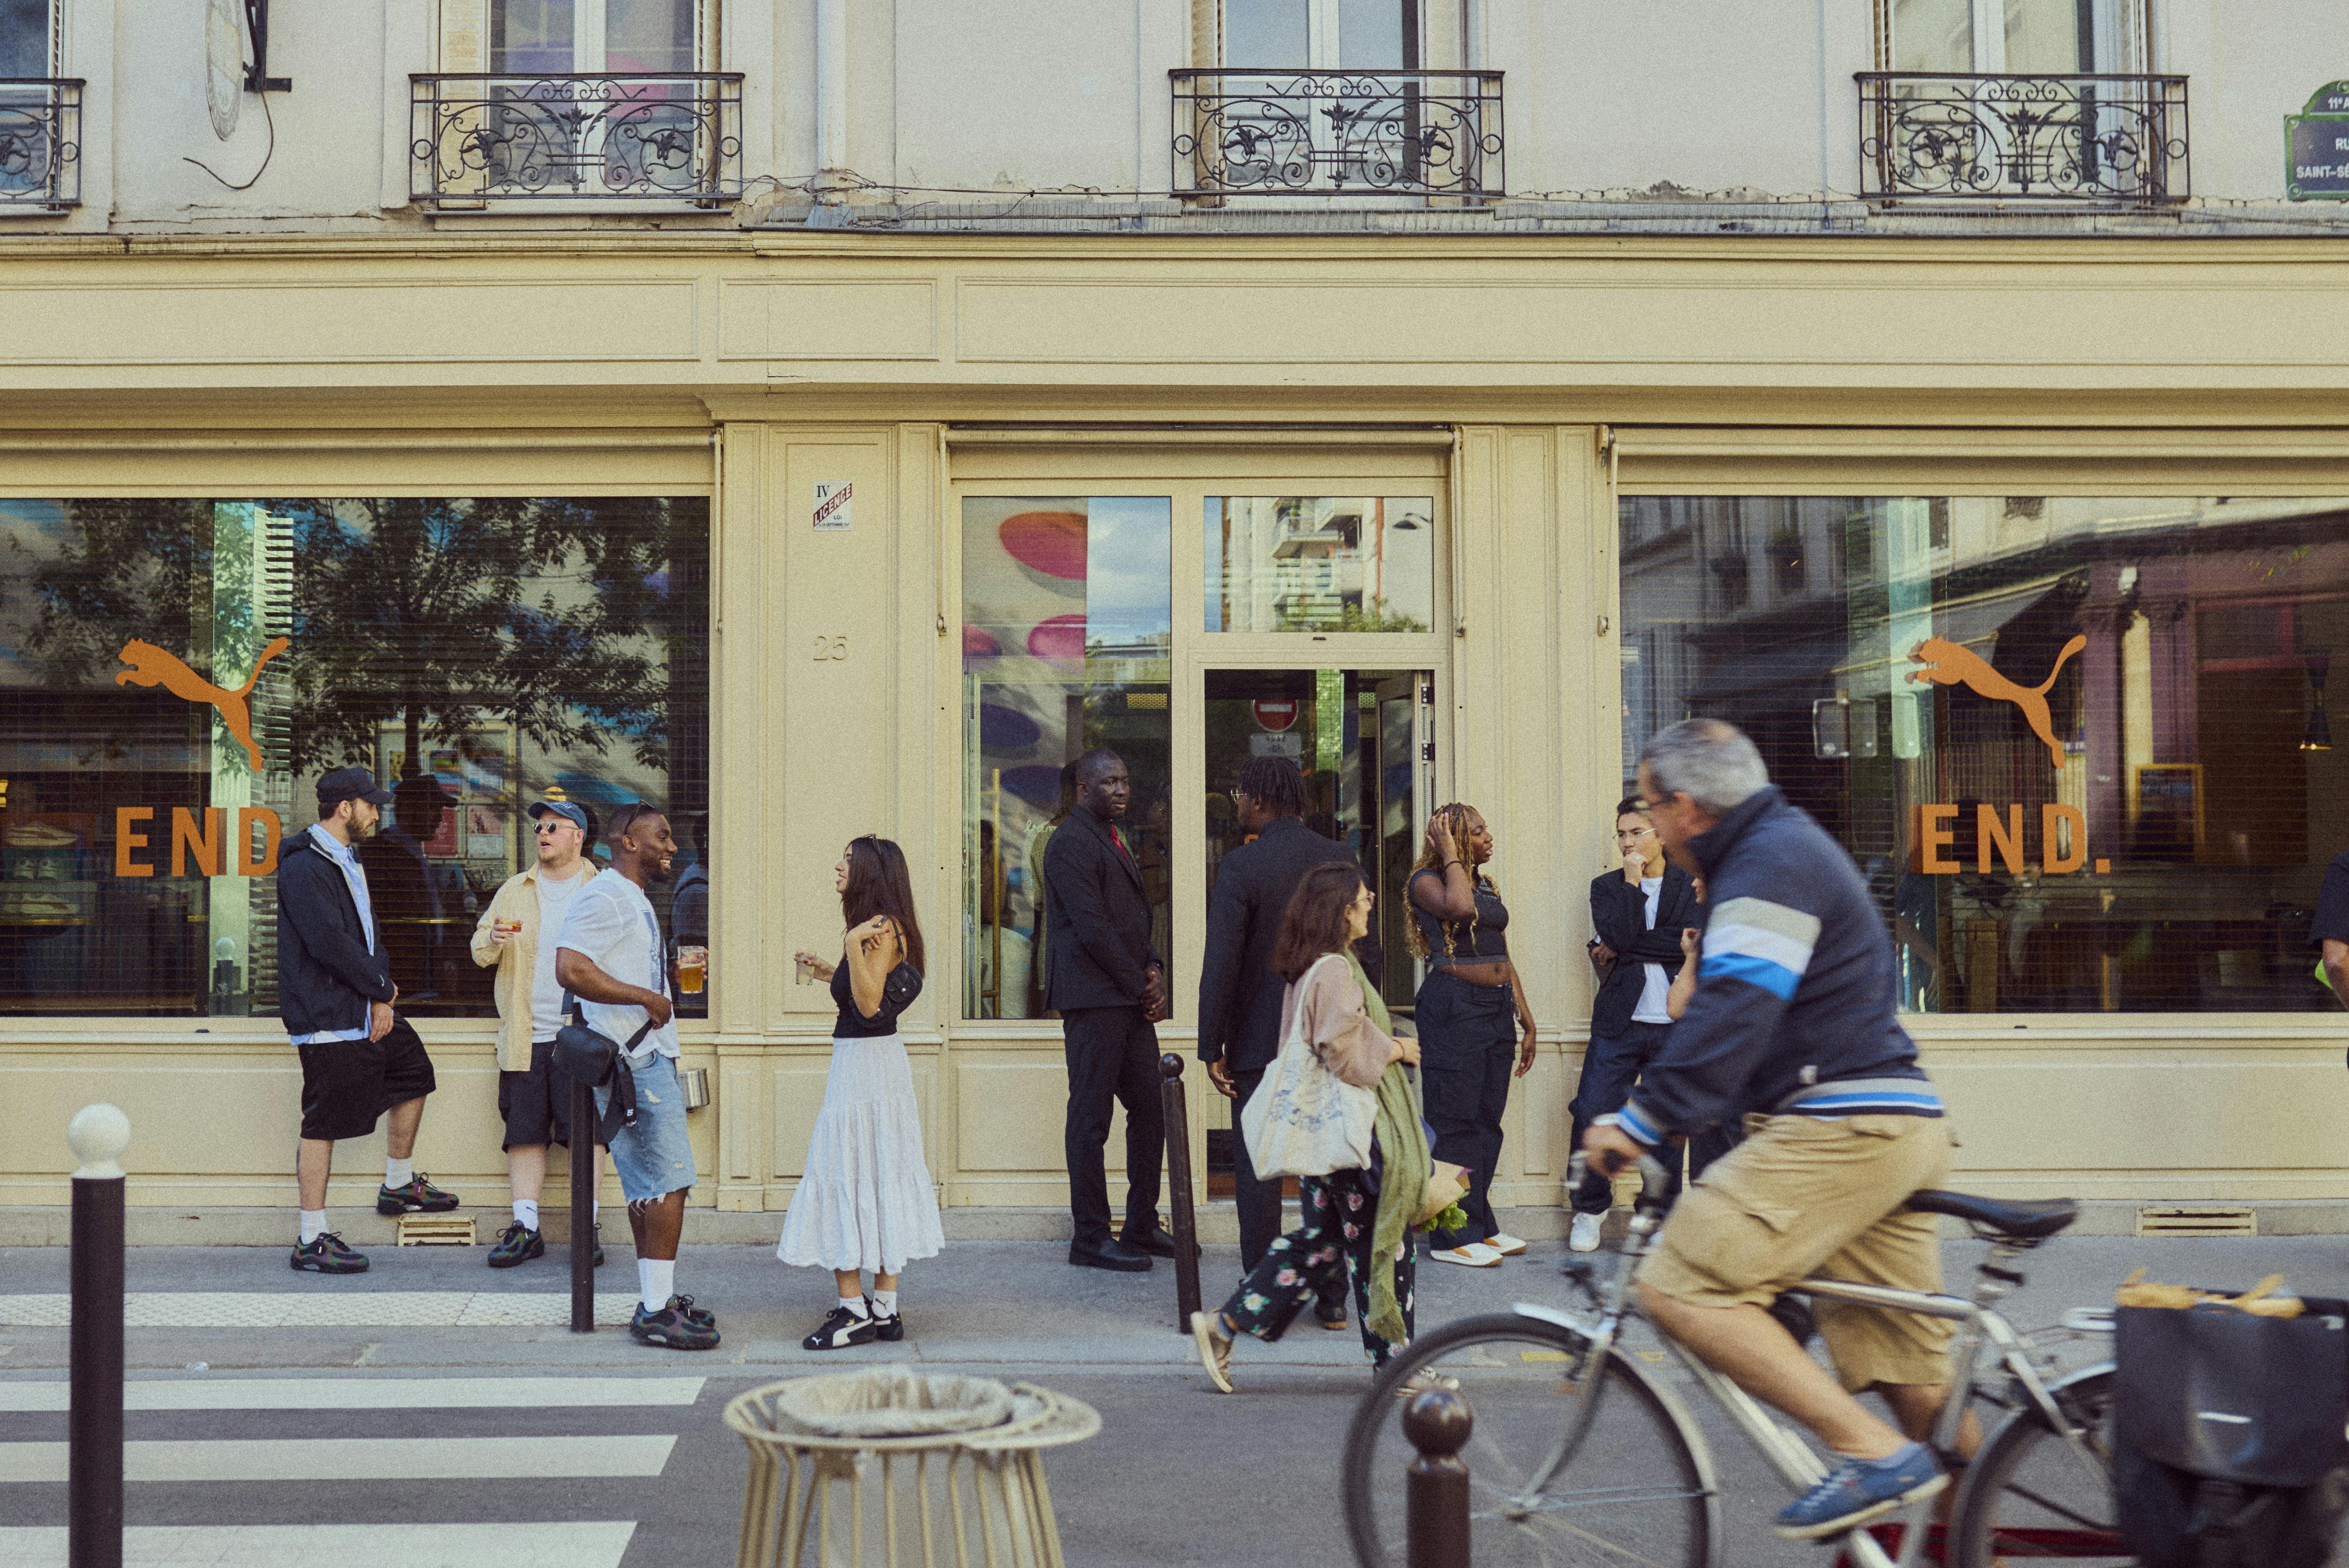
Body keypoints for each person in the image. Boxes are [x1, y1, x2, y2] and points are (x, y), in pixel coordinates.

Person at [1583, 718, 1959, 1541]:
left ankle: (1872, 1456)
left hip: (1840, 1127)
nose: (1649, 826)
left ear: (1686, 807)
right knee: (1913, 1376)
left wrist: (1641, 1121)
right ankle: (1976, 1541)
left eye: (1650, 808)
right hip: (1889, 1124)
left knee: (1675, 1283)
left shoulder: (1766, 864)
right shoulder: (1772, 852)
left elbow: (1733, 1013)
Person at [1191, 862, 1433, 1391]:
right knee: (1386, 1243)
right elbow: (1341, 1050)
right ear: (1341, 911)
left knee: (1321, 1244)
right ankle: (1396, 1363)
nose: (1370, 903)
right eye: (1363, 898)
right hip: (1350, 1136)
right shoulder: (1335, 971)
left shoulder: (1311, 969)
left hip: (1324, 1134)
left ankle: (1223, 1325)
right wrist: (1395, 1048)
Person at [1197, 755, 1358, 1326]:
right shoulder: (1341, 860)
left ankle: (1262, 1295)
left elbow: (1223, 959)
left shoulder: (1242, 865)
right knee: (1329, 1167)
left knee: (1257, 1172)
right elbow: (1362, 954)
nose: (1238, 804)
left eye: (1240, 795)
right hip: (1330, 1035)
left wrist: (1210, 1043)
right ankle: (1333, 1297)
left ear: (1259, 800)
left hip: (1258, 1038)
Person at [278, 767, 458, 1276]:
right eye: (370, 806)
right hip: (328, 1015)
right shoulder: (304, 865)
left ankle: (398, 1185)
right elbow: (327, 942)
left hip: (364, 1006)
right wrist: (378, 989)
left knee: (413, 1072)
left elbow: (369, 933)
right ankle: (311, 1239)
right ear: (345, 808)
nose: (377, 815)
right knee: (323, 1122)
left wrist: (382, 997)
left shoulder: (347, 857)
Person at [555, 803, 719, 1351]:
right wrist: (645, 997)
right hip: (635, 1060)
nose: (672, 847)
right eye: (662, 837)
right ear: (628, 841)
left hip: (643, 1055)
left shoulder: (631, 897)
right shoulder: (605, 895)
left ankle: (656, 1301)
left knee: (648, 1184)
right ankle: (654, 1312)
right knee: (670, 1181)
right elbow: (570, 968)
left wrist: (660, 980)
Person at [780, 836, 945, 1349]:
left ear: (871, 871)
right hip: (877, 1067)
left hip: (863, 1069)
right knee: (879, 1171)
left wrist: (851, 944)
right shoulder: (886, 928)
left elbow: (871, 1008)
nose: (838, 866)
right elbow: (869, 989)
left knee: (846, 1171)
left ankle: (854, 1313)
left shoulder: (875, 931)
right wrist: (831, 972)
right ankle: (884, 1310)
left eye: (848, 860)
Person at [1041, 747, 1175, 1273]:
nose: (1120, 790)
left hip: (1125, 998)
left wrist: (1154, 967)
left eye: (1124, 781)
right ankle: (1091, 1237)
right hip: (1094, 1001)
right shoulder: (1069, 842)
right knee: (1090, 1119)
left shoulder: (1113, 836)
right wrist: (1140, 985)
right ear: (1082, 789)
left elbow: (1133, 919)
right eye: (1108, 783)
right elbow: (1093, 928)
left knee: (1151, 1107)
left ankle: (1140, 1223)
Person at [1567, 796, 1709, 1253]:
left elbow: (1689, 943)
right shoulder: (1606, 887)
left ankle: (1657, 1216)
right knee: (1591, 1110)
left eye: (1636, 833)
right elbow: (1620, 936)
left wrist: (1630, 945)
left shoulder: (1689, 883)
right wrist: (1631, 887)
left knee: (1666, 1120)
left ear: (1659, 835)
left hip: (1673, 1020)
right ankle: (1590, 1210)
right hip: (1620, 1022)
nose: (1627, 842)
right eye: (1621, 835)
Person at [470, 797, 606, 1269]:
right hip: (525, 1034)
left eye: (553, 827)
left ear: (578, 836)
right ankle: (526, 1228)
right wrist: (492, 939)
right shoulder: (514, 889)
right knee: (524, 1132)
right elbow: (478, 951)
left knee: (586, 1136)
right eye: (539, 828)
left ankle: (586, 1228)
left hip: (582, 1035)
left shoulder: (602, 889)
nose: (542, 834)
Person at [1407, 802, 1538, 1267]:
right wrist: (1448, 853)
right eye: (1478, 832)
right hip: (1453, 1009)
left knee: (1486, 1122)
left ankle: (1481, 1226)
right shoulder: (1426, 882)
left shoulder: (1485, 884)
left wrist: (1525, 1016)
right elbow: (1459, 909)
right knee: (1455, 1123)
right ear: (1454, 839)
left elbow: (1501, 952)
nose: (1488, 837)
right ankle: (1449, 1238)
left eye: (1486, 829)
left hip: (1495, 1008)